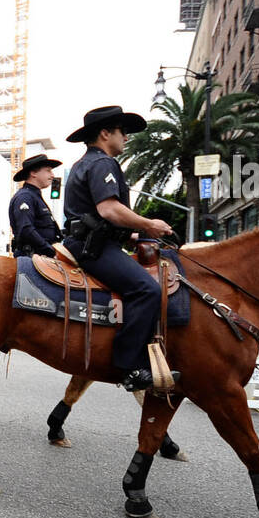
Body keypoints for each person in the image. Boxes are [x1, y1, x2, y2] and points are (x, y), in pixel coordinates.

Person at [62, 106, 176, 392]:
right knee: (147, 290)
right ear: (104, 134)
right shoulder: (103, 164)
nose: (127, 138)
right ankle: (129, 366)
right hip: (93, 248)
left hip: (92, 241)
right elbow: (109, 209)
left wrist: (134, 233)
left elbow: (101, 216)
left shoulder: (85, 163)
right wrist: (149, 225)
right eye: (122, 131)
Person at [9, 154, 63, 258]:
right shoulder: (25, 197)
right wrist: (49, 250)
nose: (52, 175)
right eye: (48, 170)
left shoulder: (33, 196)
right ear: (33, 173)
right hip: (32, 257)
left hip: (39, 257)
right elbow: (26, 229)